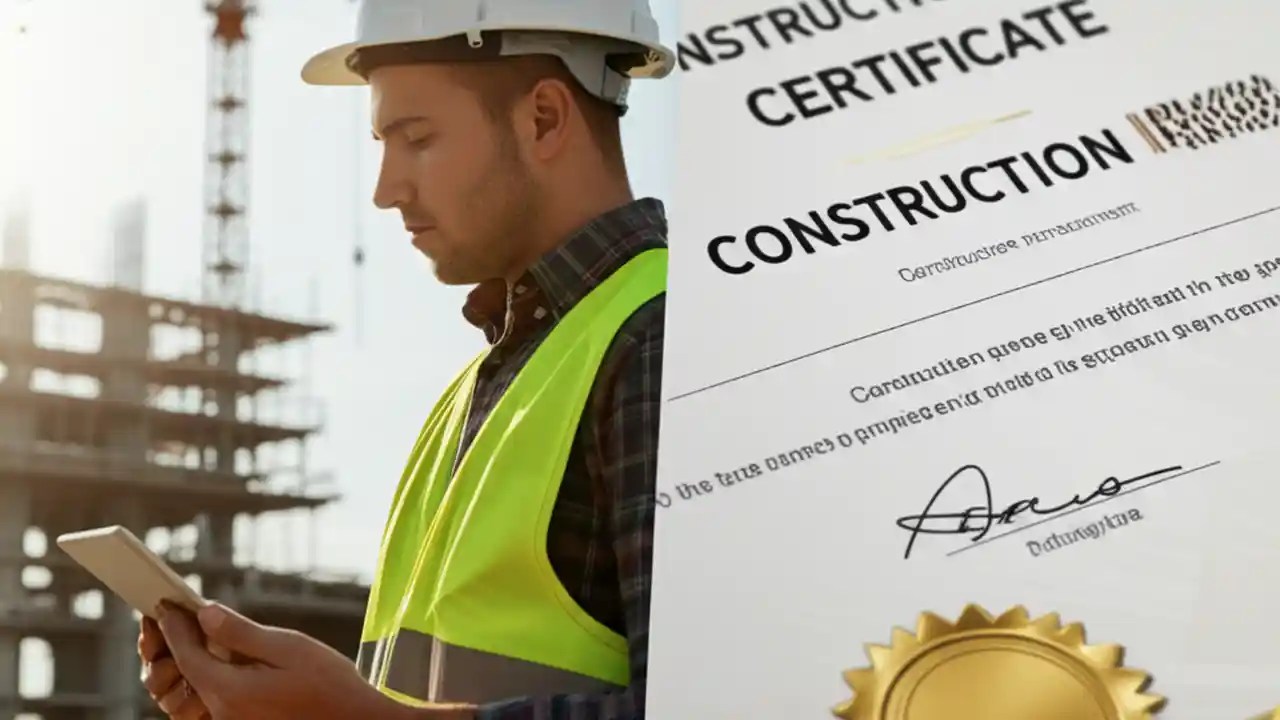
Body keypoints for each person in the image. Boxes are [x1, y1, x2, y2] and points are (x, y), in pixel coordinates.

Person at [136, 1, 675, 718]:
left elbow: (737, 699)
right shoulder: (483, 386)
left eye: (415, 138)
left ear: (543, 119)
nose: (386, 189)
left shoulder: (665, 337)